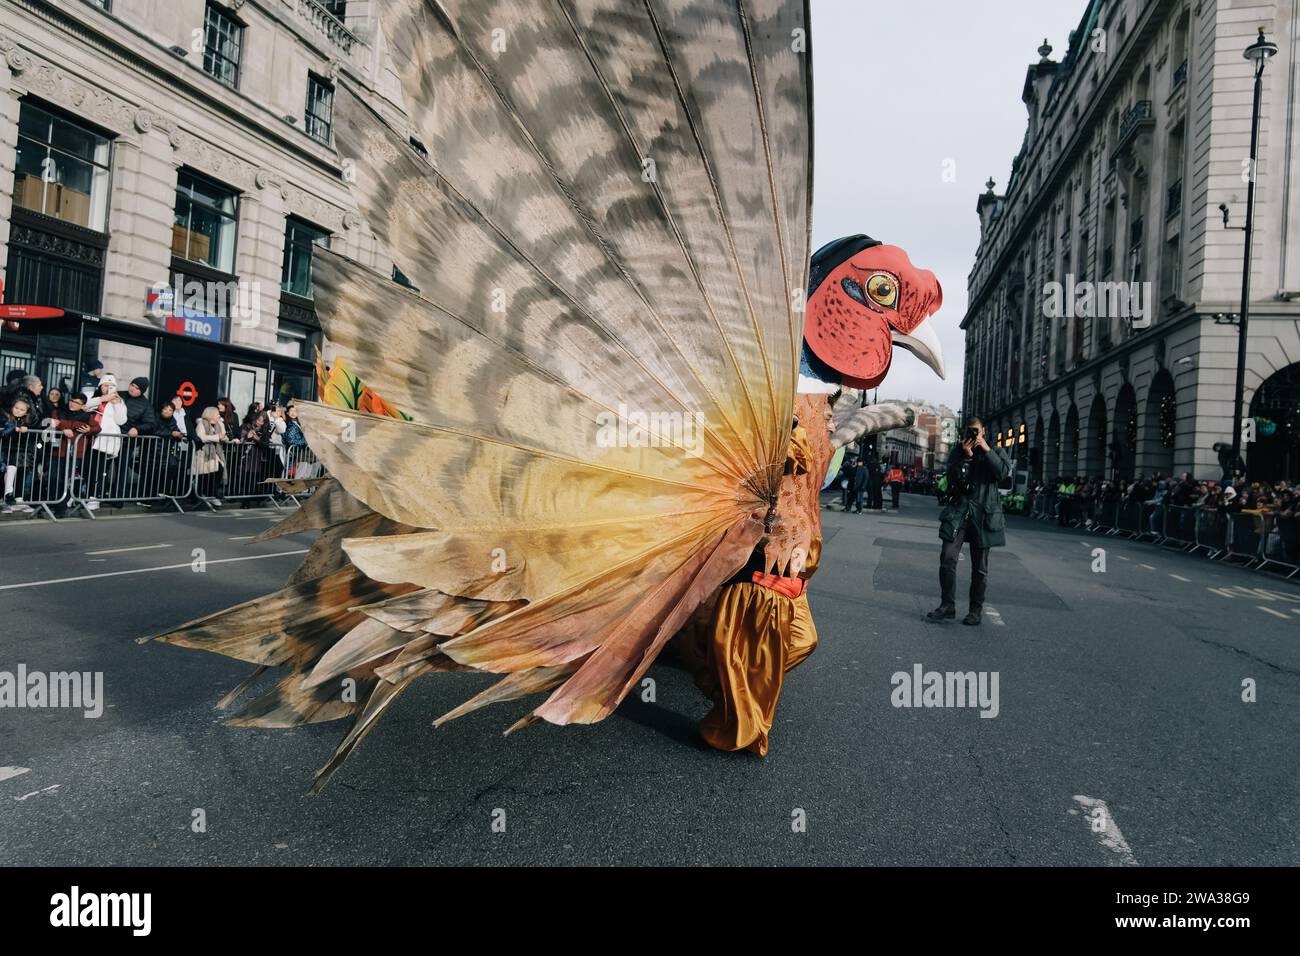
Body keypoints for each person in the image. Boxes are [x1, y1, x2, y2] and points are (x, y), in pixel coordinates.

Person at [927, 417, 1011, 626]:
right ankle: (948, 605)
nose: (973, 436)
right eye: (969, 432)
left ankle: (975, 611)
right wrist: (967, 458)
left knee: (980, 568)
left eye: (976, 432)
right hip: (959, 511)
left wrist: (986, 450)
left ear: (983, 431)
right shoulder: (958, 451)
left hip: (984, 514)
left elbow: (1001, 473)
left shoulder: (997, 451)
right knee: (947, 557)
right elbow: (952, 480)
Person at [192, 405, 228, 505]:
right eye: (217, 414)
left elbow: (224, 436)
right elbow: (201, 437)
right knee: (205, 475)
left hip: (216, 453)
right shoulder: (202, 424)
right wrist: (217, 437)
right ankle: (203, 494)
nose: (218, 416)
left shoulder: (219, 424)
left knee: (218, 470)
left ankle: (211, 494)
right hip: (204, 453)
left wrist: (224, 438)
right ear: (210, 414)